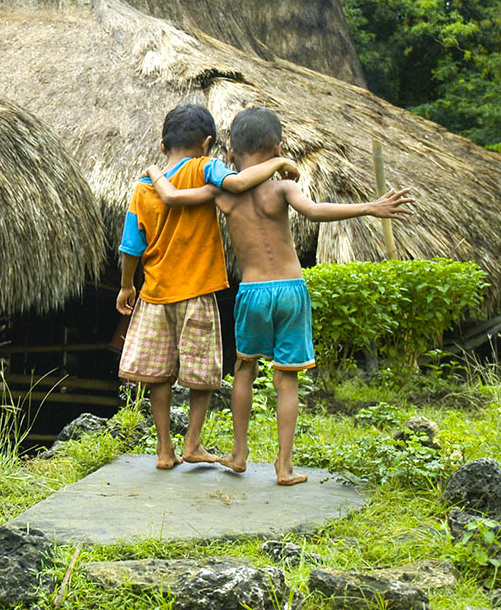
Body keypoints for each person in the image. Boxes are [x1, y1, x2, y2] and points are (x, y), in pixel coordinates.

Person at [147, 106, 414, 484]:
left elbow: (173, 198)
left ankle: (238, 454)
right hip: (290, 288)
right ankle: (284, 467)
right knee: (287, 379)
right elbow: (316, 211)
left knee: (244, 368)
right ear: (279, 148)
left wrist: (155, 173)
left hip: (252, 291)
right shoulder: (284, 186)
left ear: (231, 153)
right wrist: (370, 207)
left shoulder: (222, 193)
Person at [118, 104, 299, 470]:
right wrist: (279, 164)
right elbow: (238, 182)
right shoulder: (206, 169)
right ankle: (193, 443)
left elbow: (130, 248)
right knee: (201, 373)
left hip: (154, 294)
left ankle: (165, 449)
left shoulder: (142, 188)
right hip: (197, 290)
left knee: (158, 374)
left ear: (161, 143)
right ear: (207, 143)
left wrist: (126, 287)